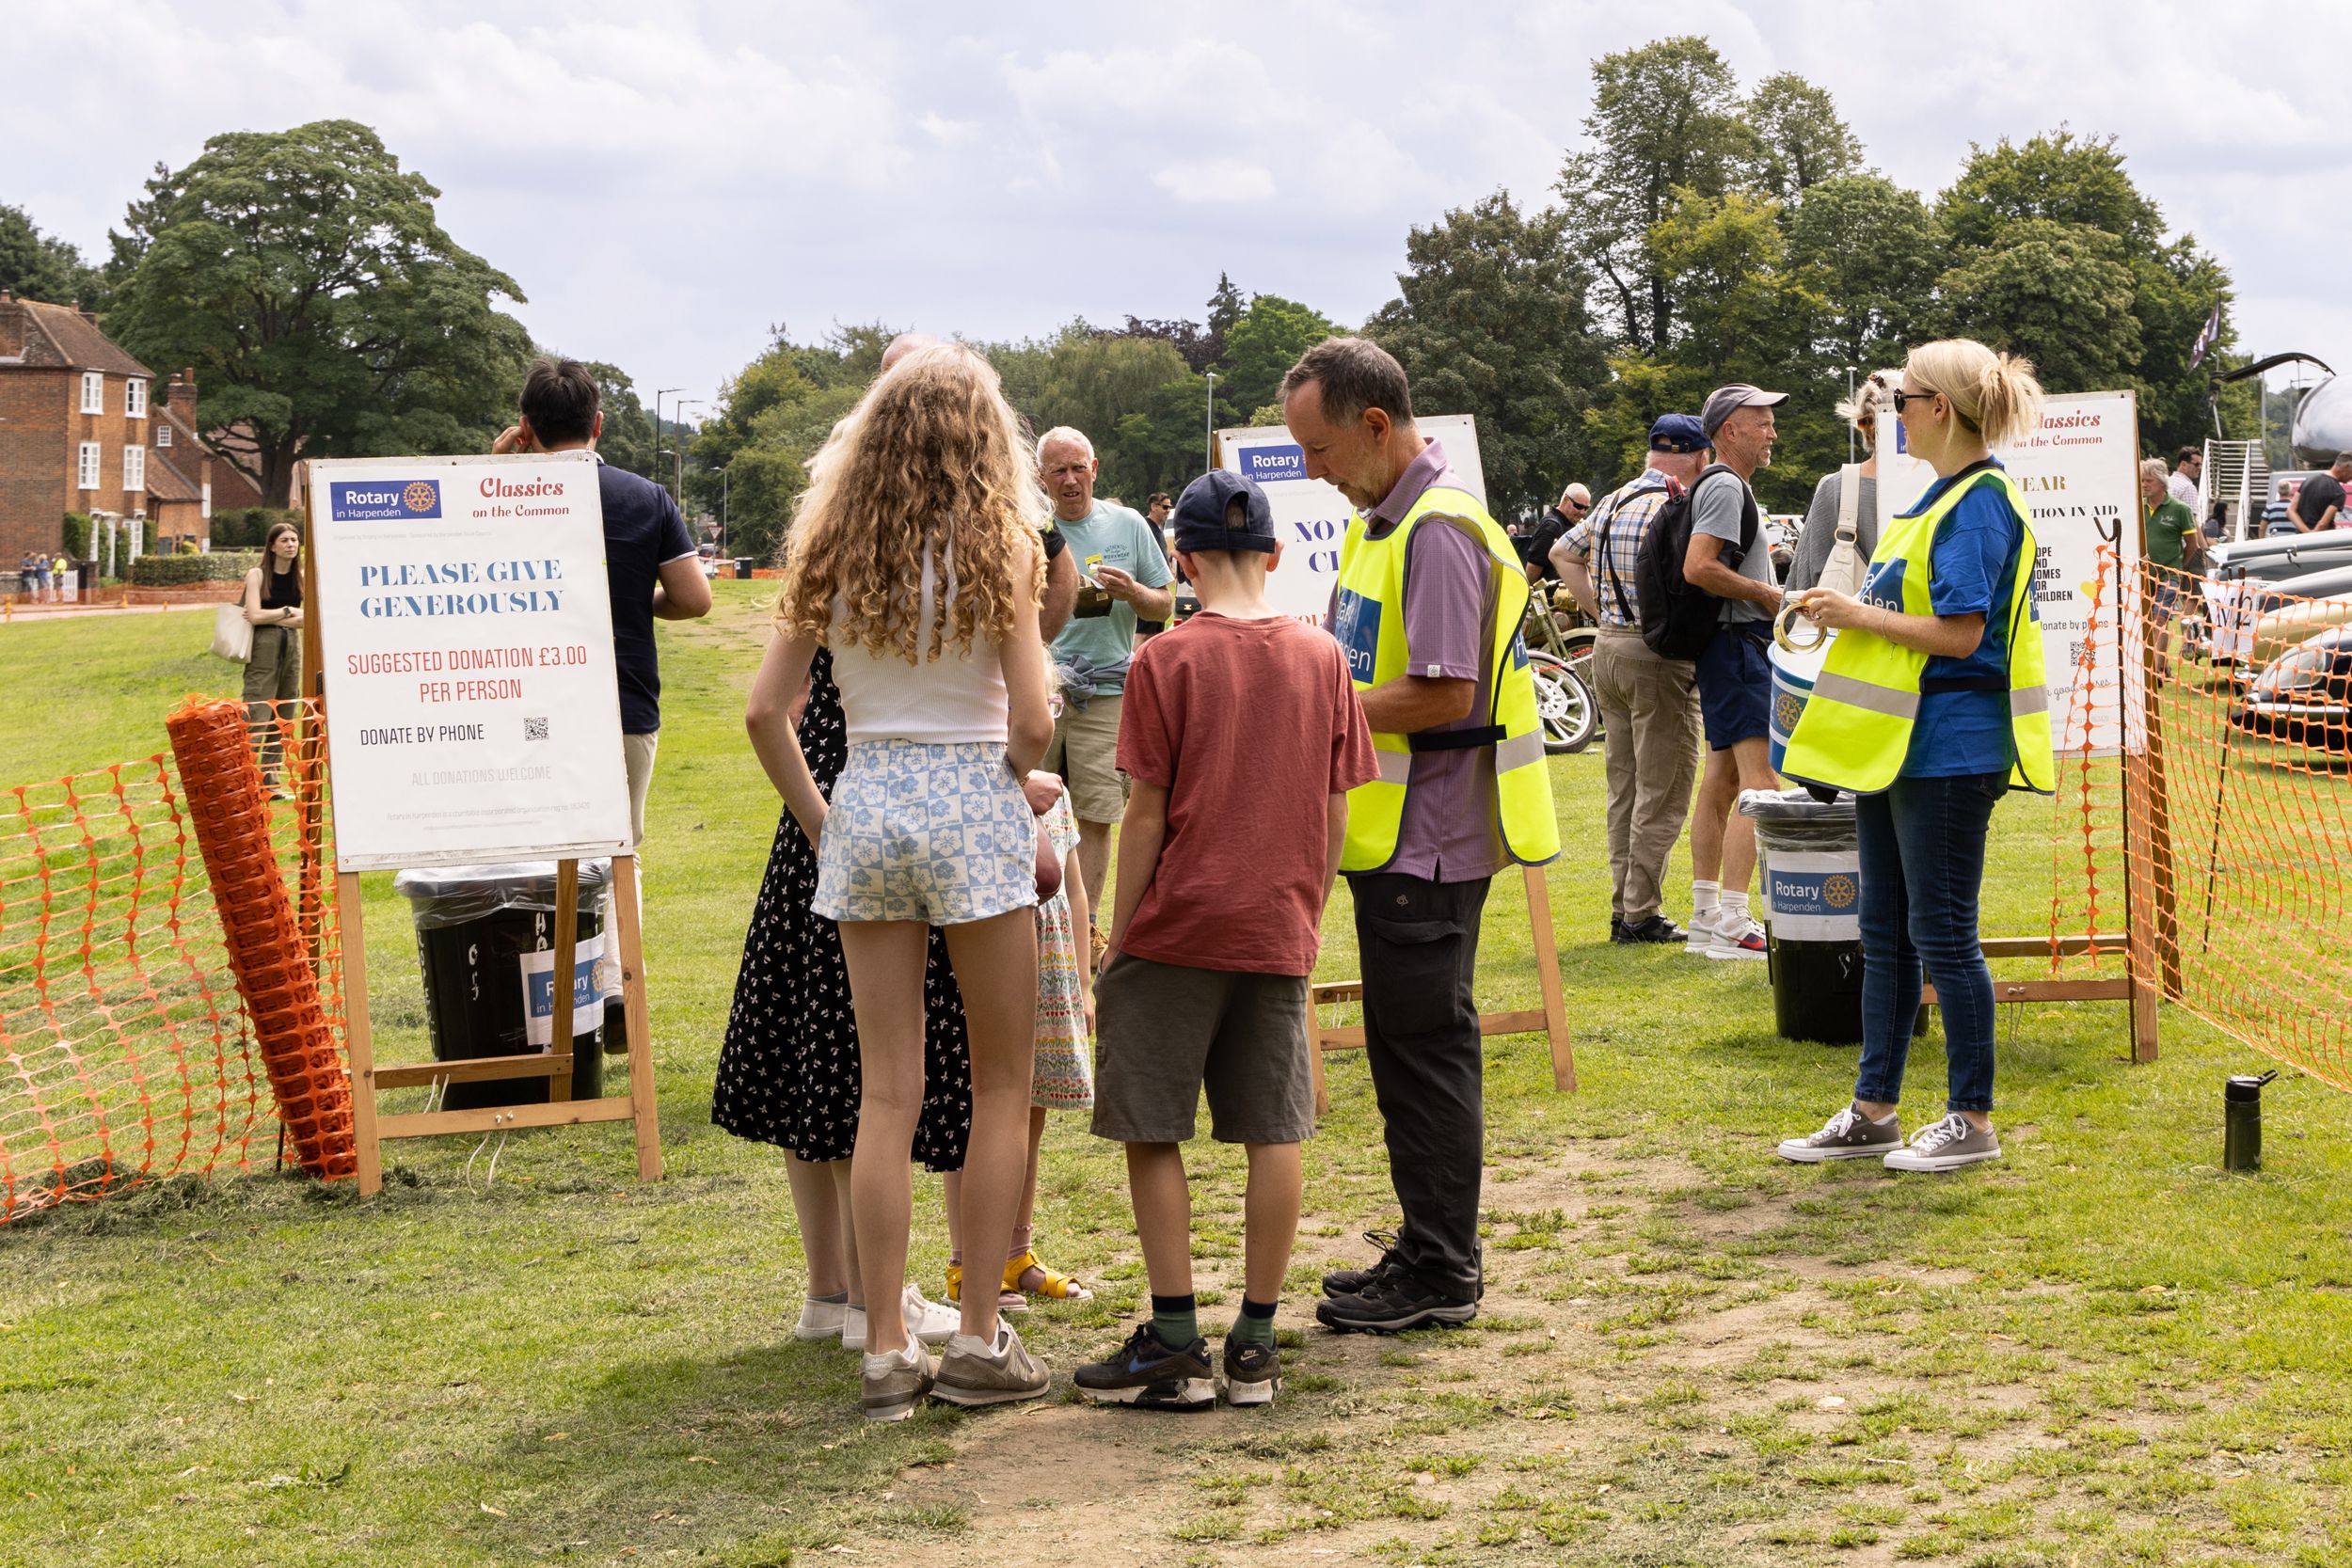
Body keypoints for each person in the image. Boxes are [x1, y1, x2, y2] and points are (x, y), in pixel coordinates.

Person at [750, 341, 1057, 1419]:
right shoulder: (1006, 546)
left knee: (887, 1092)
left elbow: (764, 713)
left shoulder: (830, 547)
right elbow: (1027, 720)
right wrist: (1025, 777)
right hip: (971, 801)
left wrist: (824, 821)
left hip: (868, 798)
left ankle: (883, 1346)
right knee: (998, 1084)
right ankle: (977, 1336)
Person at [1074, 469, 1376, 1407]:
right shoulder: (1322, 657)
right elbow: (1333, 811)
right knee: (1271, 1127)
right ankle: (1253, 1339)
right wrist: (1307, 908)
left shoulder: (1165, 660)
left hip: (1175, 925)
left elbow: (1147, 813)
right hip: (1275, 921)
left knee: (1151, 1126)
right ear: (1276, 557)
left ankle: (1172, 1335)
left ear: (1183, 559)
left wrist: (1119, 936)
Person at [1285, 337, 1561, 1333]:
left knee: (1424, 1048)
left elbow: (1444, 693)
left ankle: (1442, 1266)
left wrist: (1312, 707)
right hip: (1397, 832)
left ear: (1373, 425)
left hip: (1428, 837)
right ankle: (1430, 1242)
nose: (1312, 473)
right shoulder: (1384, 522)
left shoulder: (1437, 529)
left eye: (1318, 450)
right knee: (1411, 1047)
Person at [1776, 339, 2055, 1173]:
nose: (1893, 411)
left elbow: (1962, 633)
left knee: (1941, 934)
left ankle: (1972, 1118)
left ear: (1942, 408)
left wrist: (1856, 617)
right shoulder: (1940, 497)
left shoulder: (1975, 502)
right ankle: (1874, 1110)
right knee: (1886, 933)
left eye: (1904, 397)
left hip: (1949, 749)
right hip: (1898, 748)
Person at [712, 648, 971, 1354]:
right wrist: (827, 826)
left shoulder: (825, 561)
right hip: (863, 806)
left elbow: (775, 706)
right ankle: (867, 1300)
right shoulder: (898, 563)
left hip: (819, 808)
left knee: (815, 1049)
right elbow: (767, 710)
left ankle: (830, 1292)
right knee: (858, 1065)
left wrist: (816, 821)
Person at [497, 357, 712, 850]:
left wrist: (496, 474)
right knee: (617, 855)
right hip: (623, 701)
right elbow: (694, 600)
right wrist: (635, 596)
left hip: (526, 705)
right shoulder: (648, 498)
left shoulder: (497, 499)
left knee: (533, 853)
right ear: (597, 424)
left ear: (525, 428)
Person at [1553, 415, 1708, 943]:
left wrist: (1598, 608)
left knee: (1624, 787)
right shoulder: (1674, 503)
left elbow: (1560, 552)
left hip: (1607, 647)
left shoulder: (1614, 499)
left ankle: (1625, 905)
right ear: (1699, 456)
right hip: (1655, 654)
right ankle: (1640, 913)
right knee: (1662, 790)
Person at [1038, 428, 1175, 956]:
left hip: (1108, 689)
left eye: (1078, 468)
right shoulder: (1030, 527)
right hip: (1040, 688)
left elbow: (1163, 605)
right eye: (1058, 471)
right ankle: (1031, 924)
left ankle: (1084, 929)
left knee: (1096, 812)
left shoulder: (1129, 525)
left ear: (1095, 467)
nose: (1070, 481)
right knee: (1026, 803)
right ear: (1042, 477)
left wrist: (1132, 591)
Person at [1681, 384, 1789, 961]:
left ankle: (1706, 916)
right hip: (1738, 644)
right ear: (1730, 430)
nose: (1773, 432)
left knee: (1721, 783)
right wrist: (1767, 595)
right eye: (1762, 422)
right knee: (1762, 786)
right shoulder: (1725, 485)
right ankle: (1734, 918)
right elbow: (1699, 567)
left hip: (1726, 648)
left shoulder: (1722, 484)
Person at [1786, 372, 1896, 594]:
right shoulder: (1941, 488)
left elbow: (1801, 585)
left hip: (1847, 627)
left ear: (1864, 425)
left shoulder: (1836, 487)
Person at [241, 521, 305, 798]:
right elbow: (254, 615)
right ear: (272, 546)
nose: (291, 544)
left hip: (291, 645)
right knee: (258, 709)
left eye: (294, 539)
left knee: (284, 711)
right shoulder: (257, 575)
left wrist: (276, 616)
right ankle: (243, 778)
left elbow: (309, 620)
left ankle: (270, 778)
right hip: (263, 646)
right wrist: (288, 611)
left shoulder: (301, 577)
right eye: (285, 540)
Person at [2139, 456, 2201, 652]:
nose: (2144, 485)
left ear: (2162, 482)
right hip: (2143, 574)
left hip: (2169, 574)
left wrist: (2179, 566)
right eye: (2142, 480)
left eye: (2149, 480)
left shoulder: (2180, 509)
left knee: (2160, 618)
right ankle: (2159, 665)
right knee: (2147, 621)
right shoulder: (2136, 506)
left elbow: (2193, 544)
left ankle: (2156, 672)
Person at [1521, 483, 1591, 585]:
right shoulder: (1551, 526)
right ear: (1566, 500)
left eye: (1586, 508)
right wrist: (1527, 592)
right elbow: (1534, 565)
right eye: (1578, 506)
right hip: (1550, 596)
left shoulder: (1569, 524)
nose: (1582, 512)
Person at [1136, 491, 1177, 637]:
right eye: (1165, 507)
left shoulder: (1158, 530)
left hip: (1159, 591)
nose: (1168, 511)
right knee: (1142, 634)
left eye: (1170, 508)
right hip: (1148, 590)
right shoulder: (1144, 527)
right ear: (1154, 506)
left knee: (1154, 634)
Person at [2293, 454, 2352, 532]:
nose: (2351, 478)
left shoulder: (2308, 481)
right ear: (2346, 467)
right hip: (2323, 538)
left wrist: (2305, 532)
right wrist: (2312, 535)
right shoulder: (2338, 492)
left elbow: (2291, 511)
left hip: (2300, 539)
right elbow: (2323, 524)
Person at [2169, 446, 2202, 512]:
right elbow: (2192, 518)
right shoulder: (2188, 488)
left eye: (2201, 465)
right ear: (2184, 464)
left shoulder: (2166, 482)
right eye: (2197, 464)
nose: (2200, 468)